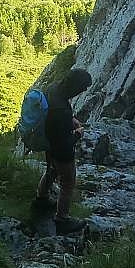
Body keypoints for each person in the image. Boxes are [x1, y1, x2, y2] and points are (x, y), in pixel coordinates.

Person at [31, 68, 92, 234]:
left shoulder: (54, 88)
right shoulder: (61, 110)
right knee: (68, 181)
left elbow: (53, 116)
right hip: (60, 149)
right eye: (83, 87)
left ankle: (41, 200)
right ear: (76, 87)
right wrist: (78, 135)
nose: (84, 90)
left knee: (51, 170)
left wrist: (70, 120)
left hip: (48, 142)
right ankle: (62, 220)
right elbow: (64, 142)